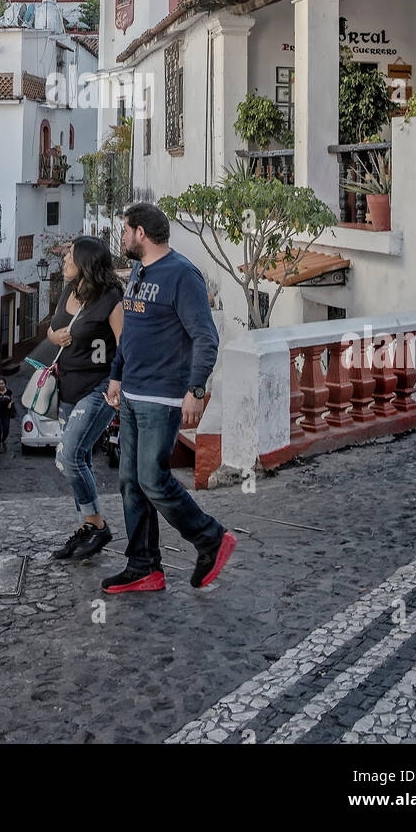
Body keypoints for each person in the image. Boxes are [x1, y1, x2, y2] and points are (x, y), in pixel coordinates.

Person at [100, 203, 236, 594]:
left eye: (126, 230)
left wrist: (195, 390)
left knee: (153, 479)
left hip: (162, 399)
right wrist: (116, 376)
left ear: (141, 232)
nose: (123, 236)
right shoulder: (140, 272)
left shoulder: (182, 275)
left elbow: (206, 337)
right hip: (130, 394)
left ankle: (211, 538)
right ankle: (144, 566)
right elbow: (131, 333)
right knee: (129, 481)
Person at [47, 237, 124, 562]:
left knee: (68, 457)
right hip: (68, 388)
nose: (64, 260)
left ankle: (97, 525)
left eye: (69, 256)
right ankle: (86, 528)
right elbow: (52, 330)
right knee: (79, 460)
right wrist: (55, 336)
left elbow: (125, 347)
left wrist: (119, 385)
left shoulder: (111, 300)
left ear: (86, 263)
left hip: (99, 388)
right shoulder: (69, 290)